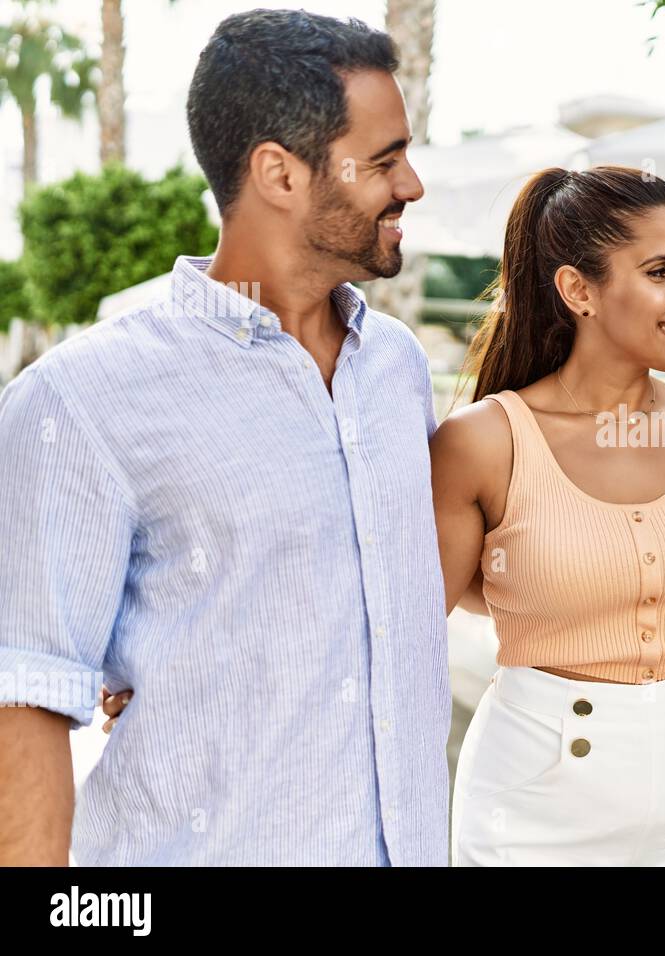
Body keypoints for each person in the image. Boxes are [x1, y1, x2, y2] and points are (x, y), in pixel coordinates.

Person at [0, 10, 449, 866]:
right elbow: (24, 700)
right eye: (384, 160)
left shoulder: (396, 370)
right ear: (280, 173)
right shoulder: (79, 401)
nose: (412, 184)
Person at [428, 166, 665, 866]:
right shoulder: (483, 442)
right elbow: (420, 619)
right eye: (660, 271)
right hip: (529, 808)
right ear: (578, 290)